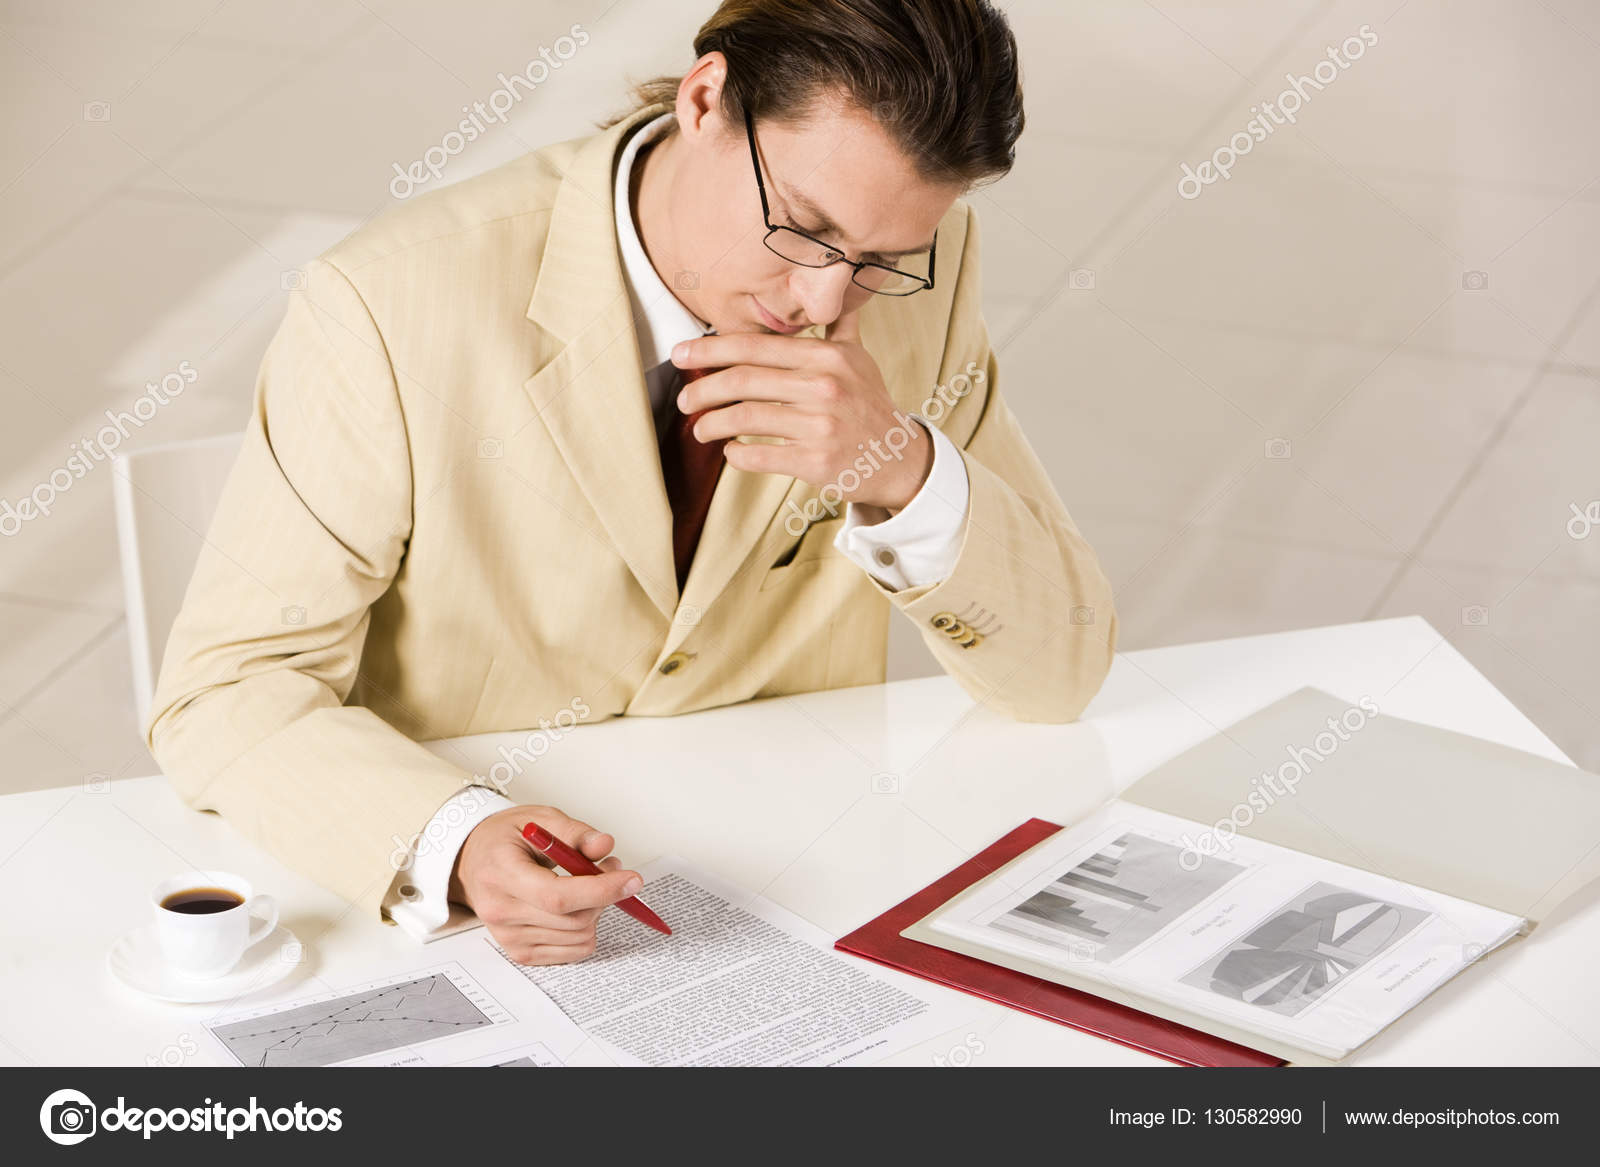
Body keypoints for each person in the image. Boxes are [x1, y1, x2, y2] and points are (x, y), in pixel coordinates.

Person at [146, 0, 1115, 967]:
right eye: (807, 232)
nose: (826, 301)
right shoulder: (389, 305)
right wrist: (453, 839)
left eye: (880, 262)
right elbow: (227, 691)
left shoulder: (926, 281)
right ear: (705, 100)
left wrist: (899, 465)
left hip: (796, 882)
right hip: (489, 910)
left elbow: (1058, 673)